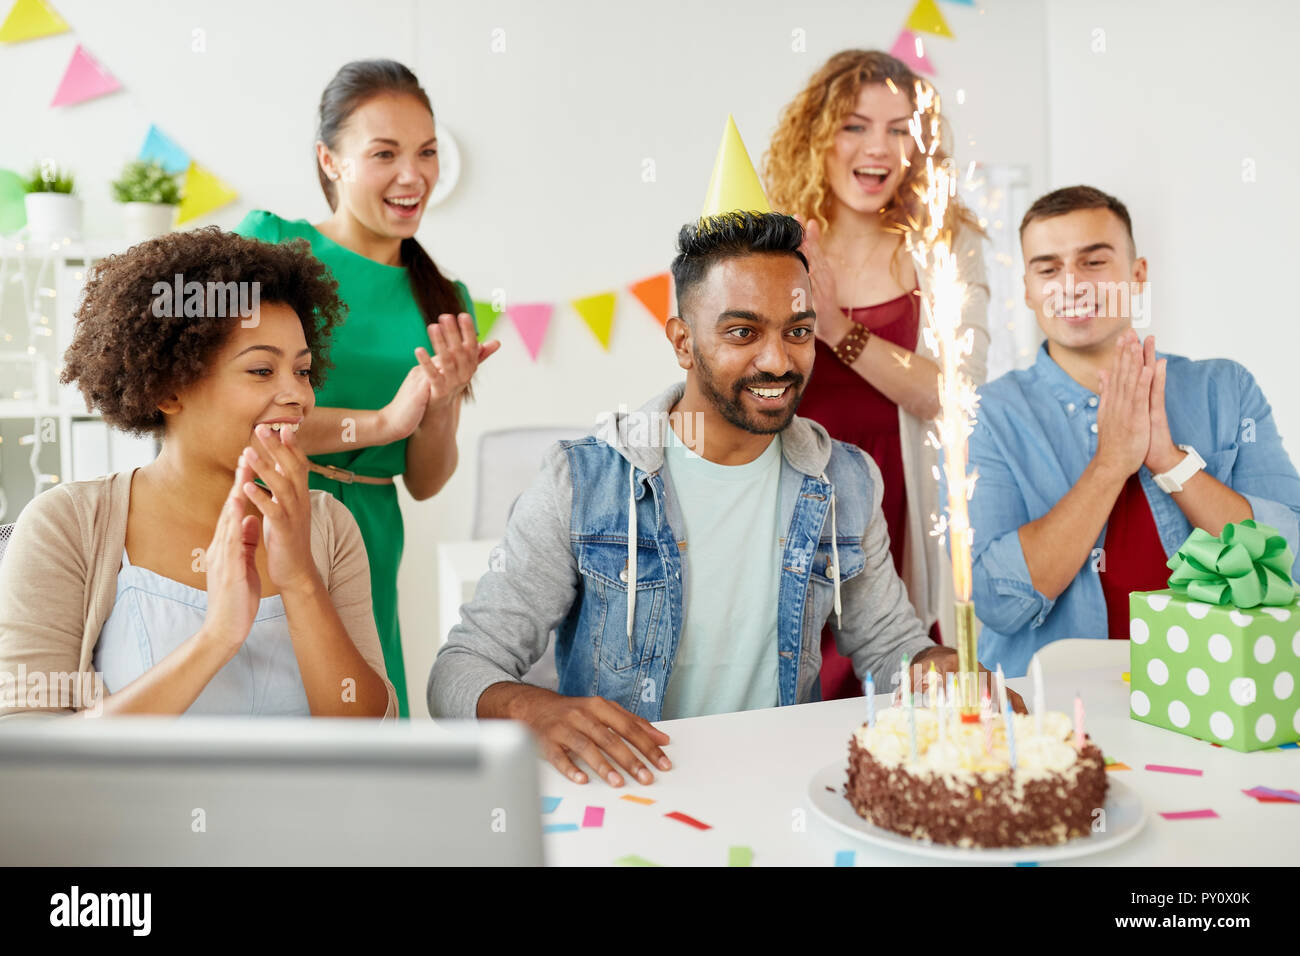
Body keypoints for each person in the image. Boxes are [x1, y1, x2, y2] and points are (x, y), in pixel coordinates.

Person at [430, 210, 1024, 787]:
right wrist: (533, 709)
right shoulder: (582, 480)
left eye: (797, 332)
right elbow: (458, 671)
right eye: (743, 332)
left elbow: (890, 644)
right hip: (627, 794)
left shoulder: (844, 481)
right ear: (683, 342)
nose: (777, 360)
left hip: (775, 793)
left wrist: (934, 669)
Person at [0, 228, 396, 718]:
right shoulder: (68, 524)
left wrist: (301, 580)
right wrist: (217, 637)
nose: (299, 396)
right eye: (261, 371)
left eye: (302, 370)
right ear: (168, 390)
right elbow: (30, 751)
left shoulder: (330, 525)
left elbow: (370, 732)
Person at [235, 60, 499, 717]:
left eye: (427, 153)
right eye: (385, 154)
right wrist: (382, 422)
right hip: (269, 507)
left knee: (361, 717)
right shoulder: (272, 250)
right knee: (264, 708)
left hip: (372, 528)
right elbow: (243, 416)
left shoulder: (444, 299)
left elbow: (426, 481)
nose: (413, 176)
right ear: (331, 160)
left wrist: (436, 408)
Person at [967, 185, 1300, 676]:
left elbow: (1288, 561)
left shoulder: (1225, 390)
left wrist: (1169, 461)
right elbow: (999, 602)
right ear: (1028, 290)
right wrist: (1109, 464)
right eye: (1048, 268)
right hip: (1057, 712)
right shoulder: (990, 415)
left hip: (1214, 691)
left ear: (1137, 274)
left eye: (1094, 262)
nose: (1071, 284)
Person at [765, 49, 990, 700]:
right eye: (856, 125)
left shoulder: (946, 244)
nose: (880, 148)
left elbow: (954, 396)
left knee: (914, 705)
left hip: (905, 502)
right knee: (795, 693)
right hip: (794, 501)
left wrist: (834, 324)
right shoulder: (774, 239)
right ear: (817, 136)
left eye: (900, 130)